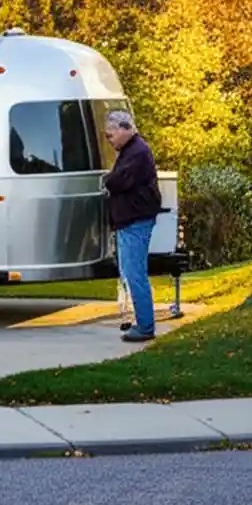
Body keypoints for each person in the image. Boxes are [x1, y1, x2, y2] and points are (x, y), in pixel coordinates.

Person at [101, 110, 162, 342]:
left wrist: (107, 180)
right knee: (131, 272)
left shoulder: (136, 152)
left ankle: (145, 327)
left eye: (110, 135)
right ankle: (143, 323)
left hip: (135, 221)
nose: (109, 139)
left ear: (124, 129)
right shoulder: (133, 150)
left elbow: (119, 181)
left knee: (134, 273)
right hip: (133, 219)